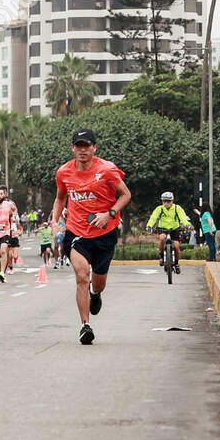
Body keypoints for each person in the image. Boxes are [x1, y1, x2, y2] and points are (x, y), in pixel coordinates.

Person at [50, 127, 131, 345]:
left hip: (105, 232)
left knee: (98, 282)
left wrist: (109, 214)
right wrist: (55, 223)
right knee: (82, 276)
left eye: (86, 145)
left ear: (94, 147)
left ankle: (96, 294)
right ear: (73, 148)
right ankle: (85, 326)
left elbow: (125, 194)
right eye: (79, 146)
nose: (82, 150)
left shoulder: (107, 169)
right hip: (77, 232)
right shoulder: (64, 172)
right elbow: (60, 198)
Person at [147, 191, 192, 272]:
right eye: (164, 201)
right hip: (163, 229)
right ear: (162, 201)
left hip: (175, 229)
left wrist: (187, 224)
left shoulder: (177, 208)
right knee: (162, 238)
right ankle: (161, 256)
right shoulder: (159, 209)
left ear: (172, 201)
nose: (166, 203)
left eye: (168, 201)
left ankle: (177, 263)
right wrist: (149, 226)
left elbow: (183, 218)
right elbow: (153, 218)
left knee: (176, 246)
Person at [0, 186, 20, 283]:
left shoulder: (9, 204)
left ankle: (2, 273)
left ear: (5, 194)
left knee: (4, 251)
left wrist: (13, 216)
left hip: (6, 231)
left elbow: (15, 209)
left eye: (1, 194)